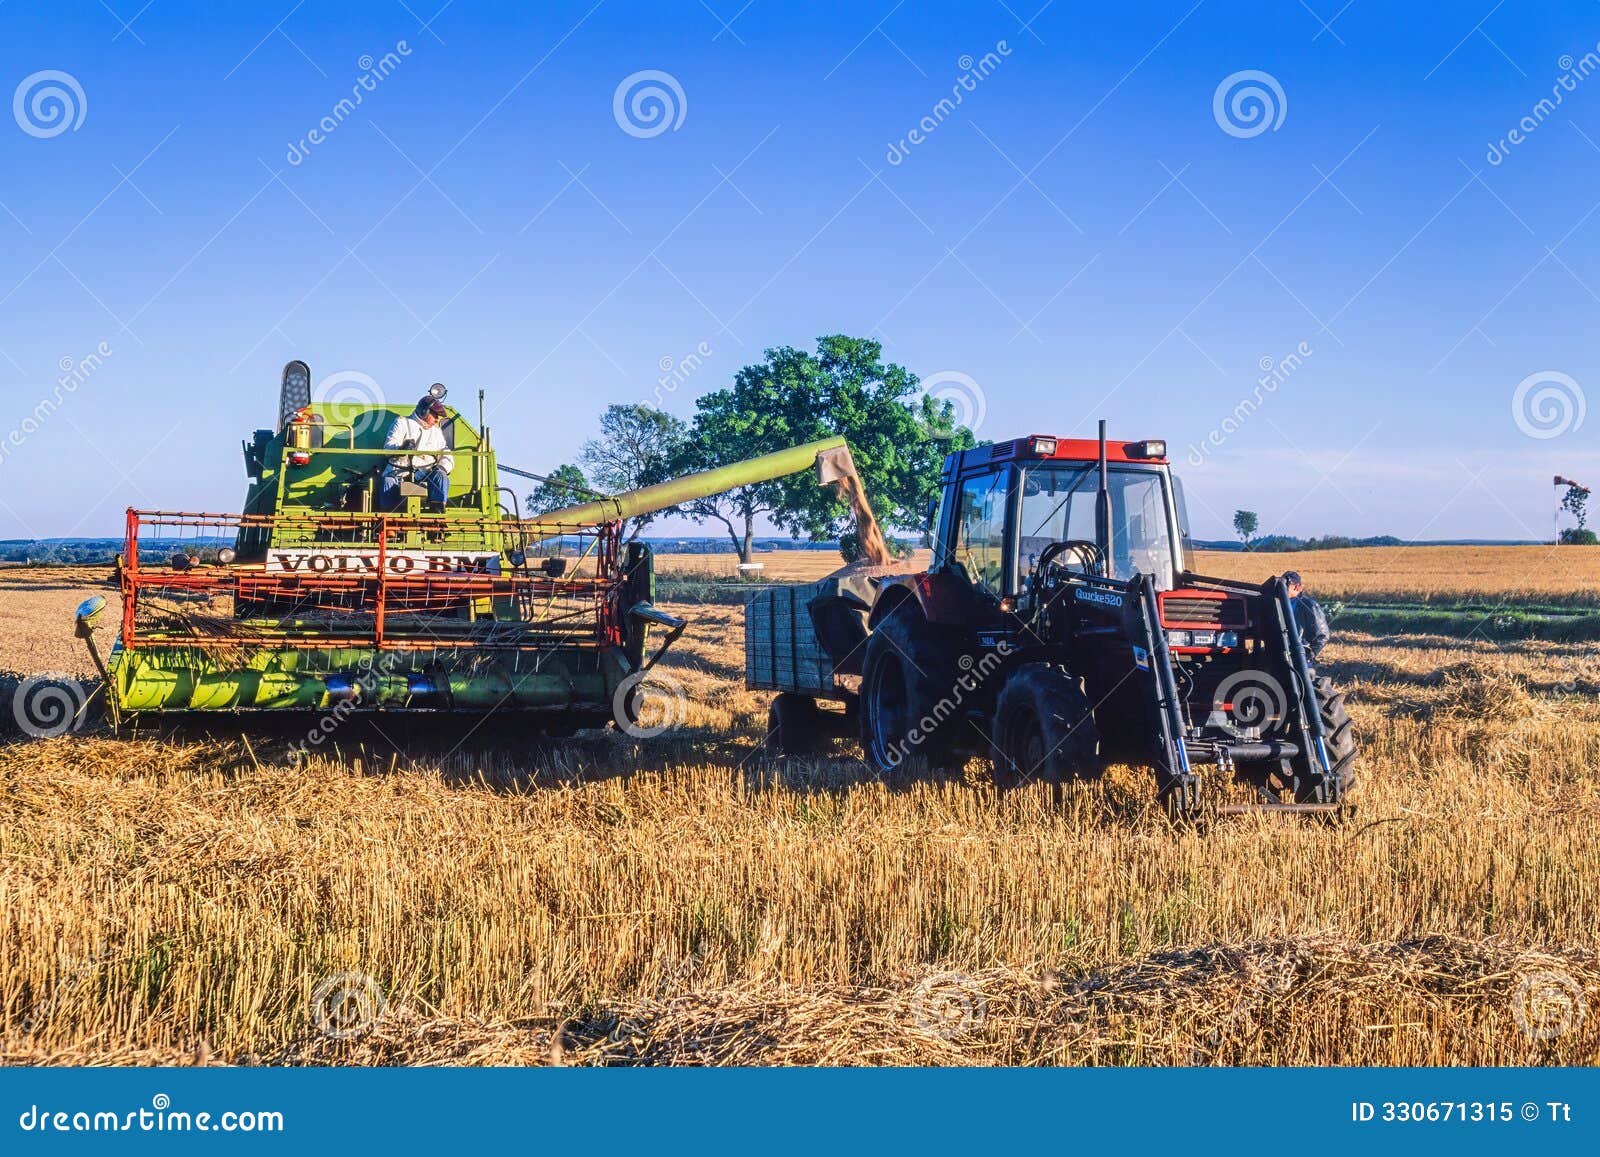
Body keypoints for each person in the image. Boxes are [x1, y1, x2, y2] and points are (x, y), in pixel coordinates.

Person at [381, 395, 454, 513]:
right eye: (435, 416)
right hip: (399, 471)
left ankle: (437, 517)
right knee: (388, 480)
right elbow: (388, 447)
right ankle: (390, 525)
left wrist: (441, 467)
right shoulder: (402, 423)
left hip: (424, 473)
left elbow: (445, 452)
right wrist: (401, 448)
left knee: (440, 476)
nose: (437, 420)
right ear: (425, 412)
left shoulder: (436, 432)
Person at [1282, 570, 1330, 662]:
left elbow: (1322, 635)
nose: (1282, 590)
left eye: (1286, 587)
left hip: (1299, 656)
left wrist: (1307, 656)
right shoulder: (1278, 603)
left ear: (1297, 587)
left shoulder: (1309, 605)